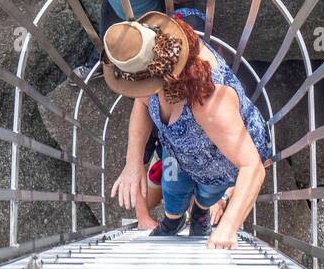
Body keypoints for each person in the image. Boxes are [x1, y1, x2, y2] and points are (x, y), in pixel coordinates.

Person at [106, 12, 271, 249]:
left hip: (220, 159)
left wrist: (227, 228)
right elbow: (141, 104)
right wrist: (133, 162)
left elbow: (252, 166)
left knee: (208, 193)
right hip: (179, 148)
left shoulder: (210, 103)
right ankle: (174, 220)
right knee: (172, 188)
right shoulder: (162, 52)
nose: (135, 90)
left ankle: (200, 212)